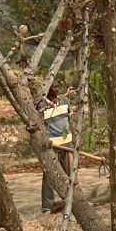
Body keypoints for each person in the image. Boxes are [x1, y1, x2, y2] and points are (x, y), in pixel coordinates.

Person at [40, 82, 72, 211]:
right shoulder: (41, 105)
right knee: (49, 177)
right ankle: (47, 206)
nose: (57, 89)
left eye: (58, 86)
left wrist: (73, 141)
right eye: (54, 88)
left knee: (71, 175)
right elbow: (40, 126)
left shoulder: (65, 100)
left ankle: (72, 201)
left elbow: (69, 120)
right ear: (47, 90)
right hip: (52, 146)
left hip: (67, 144)